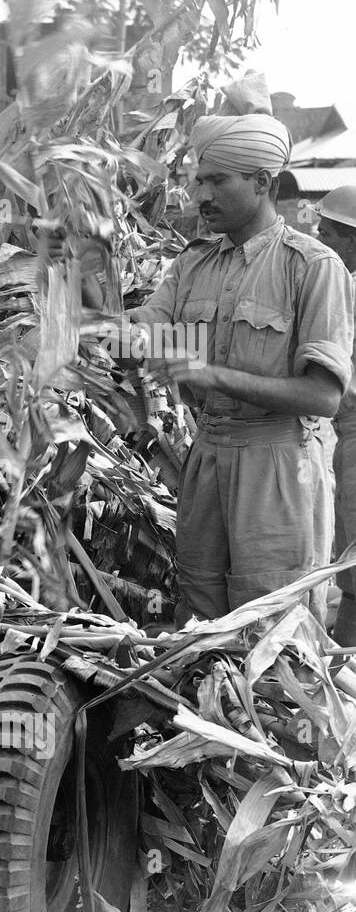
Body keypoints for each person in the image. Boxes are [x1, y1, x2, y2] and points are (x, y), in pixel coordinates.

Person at [106, 111, 354, 621]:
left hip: (276, 464)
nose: (201, 196)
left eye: (217, 180)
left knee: (268, 625)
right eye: (199, 181)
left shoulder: (310, 267)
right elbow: (145, 333)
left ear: (263, 182)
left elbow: (323, 397)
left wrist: (212, 375)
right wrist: (85, 315)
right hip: (208, 456)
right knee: (198, 613)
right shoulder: (194, 263)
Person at [315, 185, 356, 643]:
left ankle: (343, 681)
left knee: (353, 572)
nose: (319, 242)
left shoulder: (345, 291)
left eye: (327, 233)